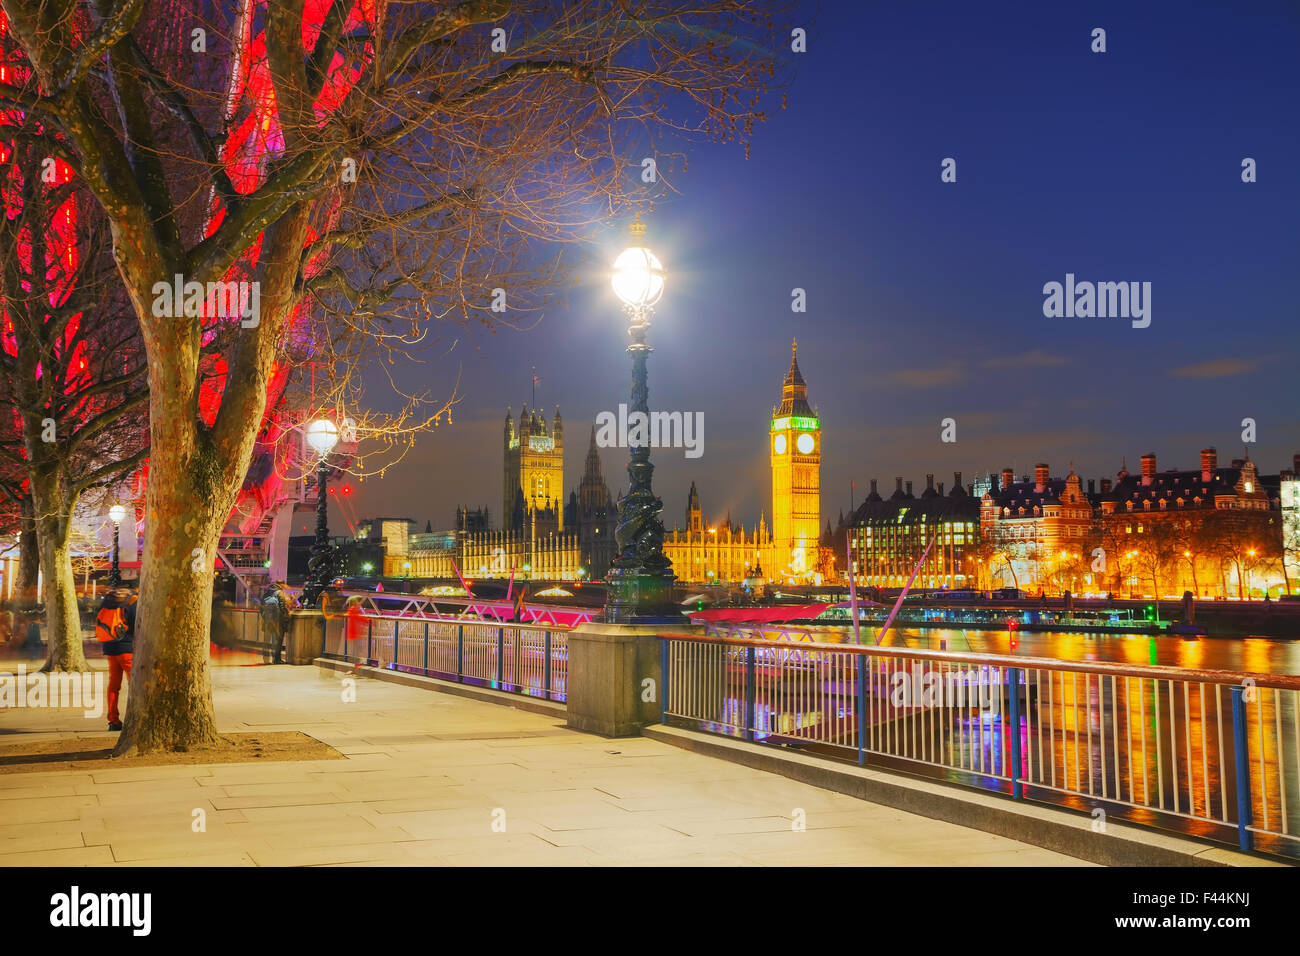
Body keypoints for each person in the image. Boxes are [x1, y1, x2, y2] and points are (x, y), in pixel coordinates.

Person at [96, 586, 137, 732]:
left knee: (113, 686)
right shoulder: (132, 601)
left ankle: (113, 720)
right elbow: (137, 624)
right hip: (127, 649)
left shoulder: (107, 602)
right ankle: (137, 717)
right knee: (135, 684)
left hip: (110, 648)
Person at [260, 582, 292, 664]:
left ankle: (266, 659)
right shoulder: (280, 593)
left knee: (266, 640)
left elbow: (261, 608)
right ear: (281, 585)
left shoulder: (266, 593)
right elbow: (282, 607)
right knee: (277, 640)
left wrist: (265, 617)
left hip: (267, 620)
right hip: (277, 621)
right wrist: (286, 619)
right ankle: (276, 659)